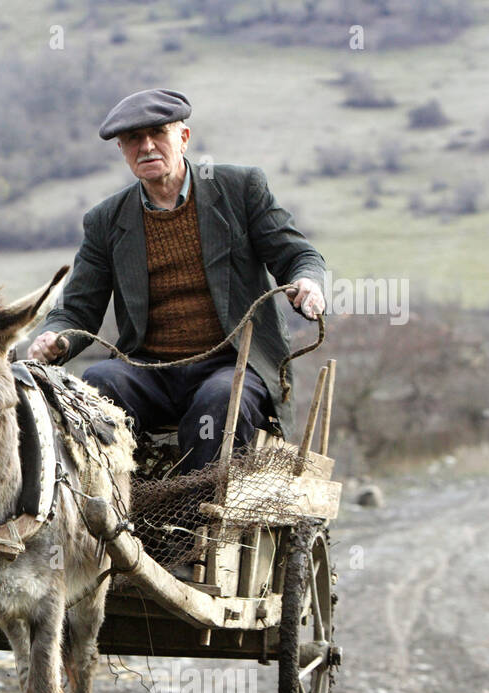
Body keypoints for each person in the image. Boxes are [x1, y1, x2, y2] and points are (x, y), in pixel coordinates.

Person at [28, 88, 326, 474]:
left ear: (183, 138)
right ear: (122, 149)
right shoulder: (105, 221)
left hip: (232, 363)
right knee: (97, 383)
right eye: (134, 139)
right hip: (149, 370)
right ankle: (111, 506)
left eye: (158, 134)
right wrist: (56, 338)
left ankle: (191, 514)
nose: (147, 146)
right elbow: (77, 309)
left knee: (220, 398)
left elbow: (298, 255)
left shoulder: (240, 189)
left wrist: (308, 282)